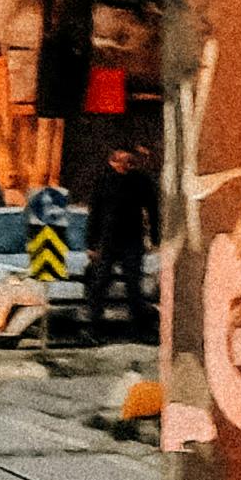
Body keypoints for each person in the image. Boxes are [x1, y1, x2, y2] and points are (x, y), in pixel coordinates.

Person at [84, 143, 153, 343]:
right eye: (121, 161)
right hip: (108, 240)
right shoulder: (104, 181)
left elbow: (152, 208)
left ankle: (138, 329)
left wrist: (155, 236)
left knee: (133, 285)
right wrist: (91, 243)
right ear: (112, 161)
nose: (124, 165)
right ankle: (95, 327)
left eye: (129, 161)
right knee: (100, 283)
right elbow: (94, 213)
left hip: (132, 240)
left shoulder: (140, 181)